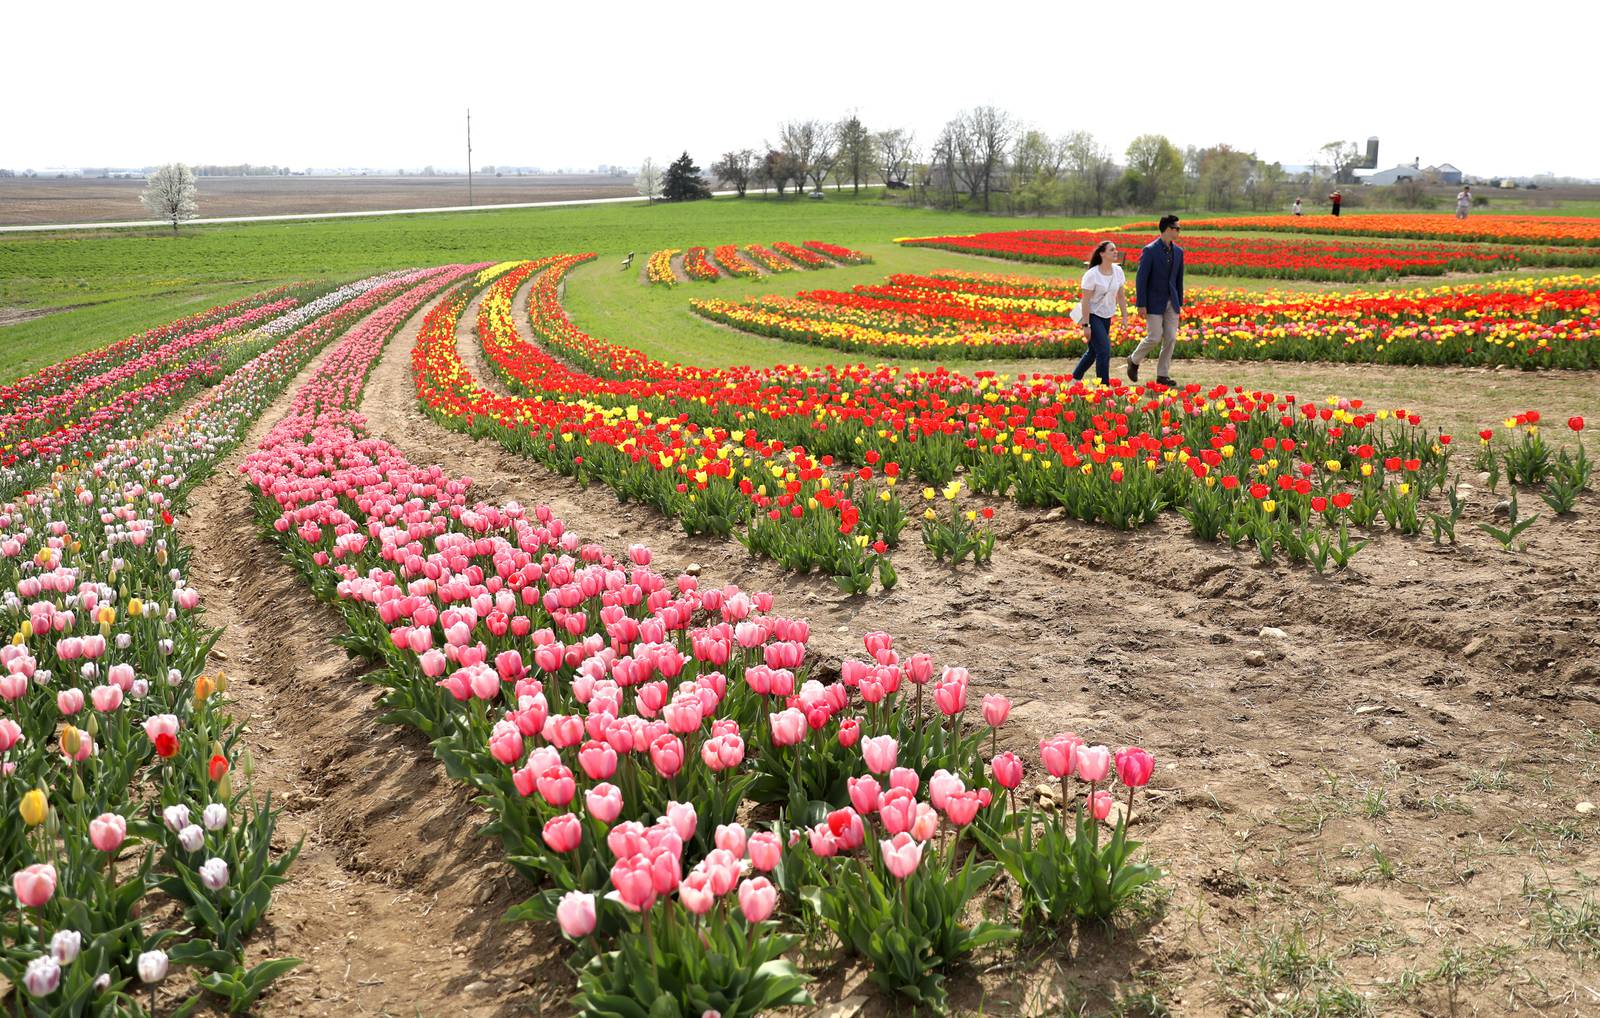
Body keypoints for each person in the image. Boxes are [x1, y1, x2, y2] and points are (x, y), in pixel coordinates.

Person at [1127, 215, 1185, 387]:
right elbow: (1141, 278)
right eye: (1177, 228)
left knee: (1171, 338)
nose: (1179, 231)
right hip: (1153, 302)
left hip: (1171, 302)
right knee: (1154, 336)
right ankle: (1134, 360)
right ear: (1168, 229)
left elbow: (1178, 279)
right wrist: (1141, 304)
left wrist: (1179, 302)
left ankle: (1162, 375)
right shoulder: (1150, 250)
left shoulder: (1179, 251)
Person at [1072, 241, 1128, 385]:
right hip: (1092, 315)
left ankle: (1075, 377)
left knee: (1093, 351)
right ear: (1102, 253)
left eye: (1116, 249)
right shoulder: (1092, 274)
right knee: (1104, 350)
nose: (1116, 252)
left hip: (1107, 315)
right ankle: (1103, 386)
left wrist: (1124, 317)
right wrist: (1086, 325)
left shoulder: (1118, 271)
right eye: (1112, 250)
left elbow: (1121, 296)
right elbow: (1085, 301)